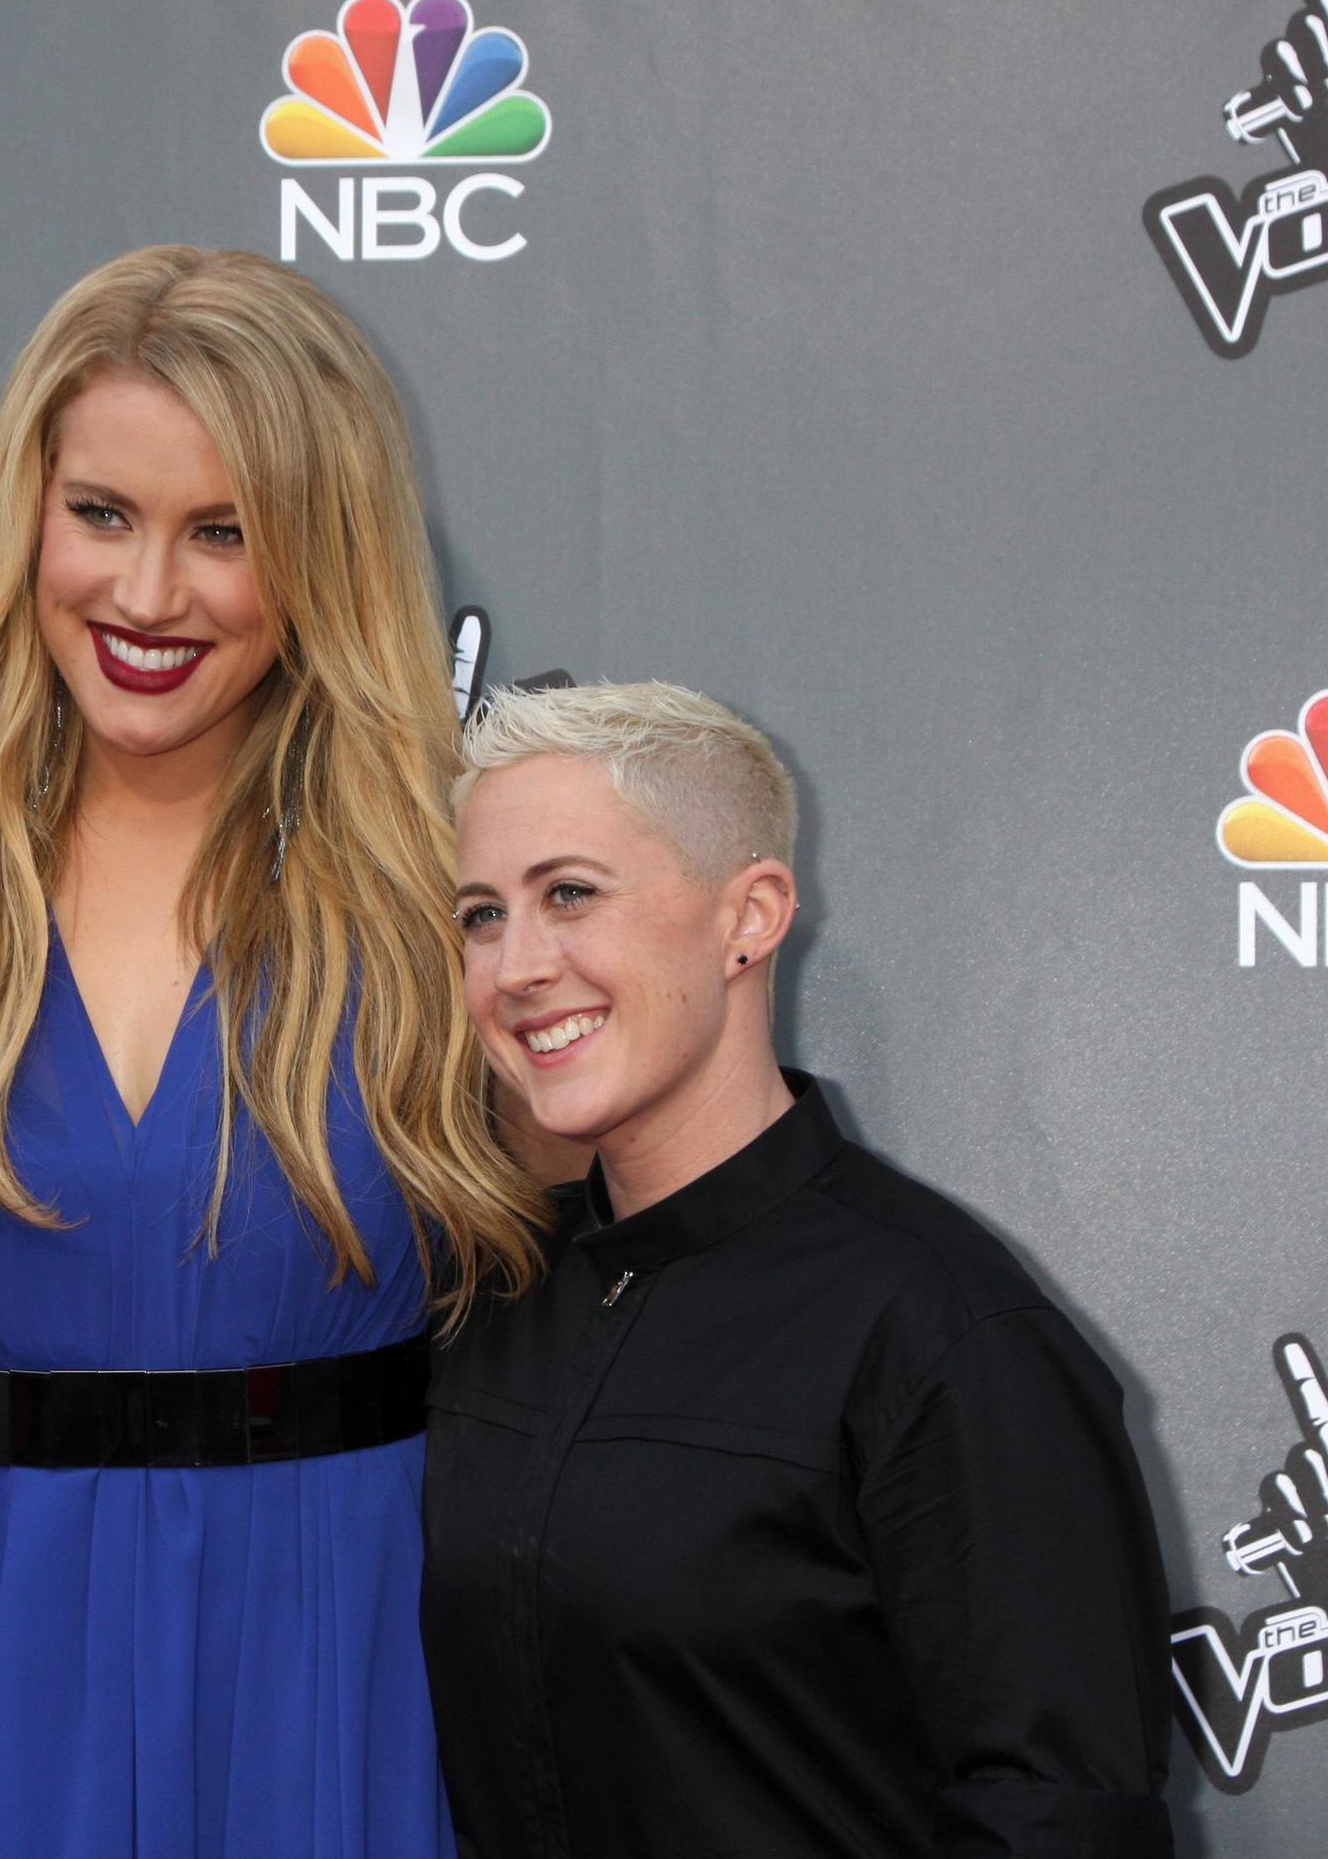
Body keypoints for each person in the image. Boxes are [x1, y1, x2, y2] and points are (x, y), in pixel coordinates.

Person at [0, 245, 547, 1856]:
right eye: (102, 513)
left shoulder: (441, 871)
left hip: (332, 1662)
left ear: (321, 554)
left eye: (224, 533)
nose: (149, 596)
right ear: (24, 514)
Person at [426, 681, 1174, 1858]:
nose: (517, 966)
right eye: (480, 914)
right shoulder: (492, 1298)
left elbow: (1059, 1816)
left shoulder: (941, 1331)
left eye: (570, 894)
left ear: (752, 915)